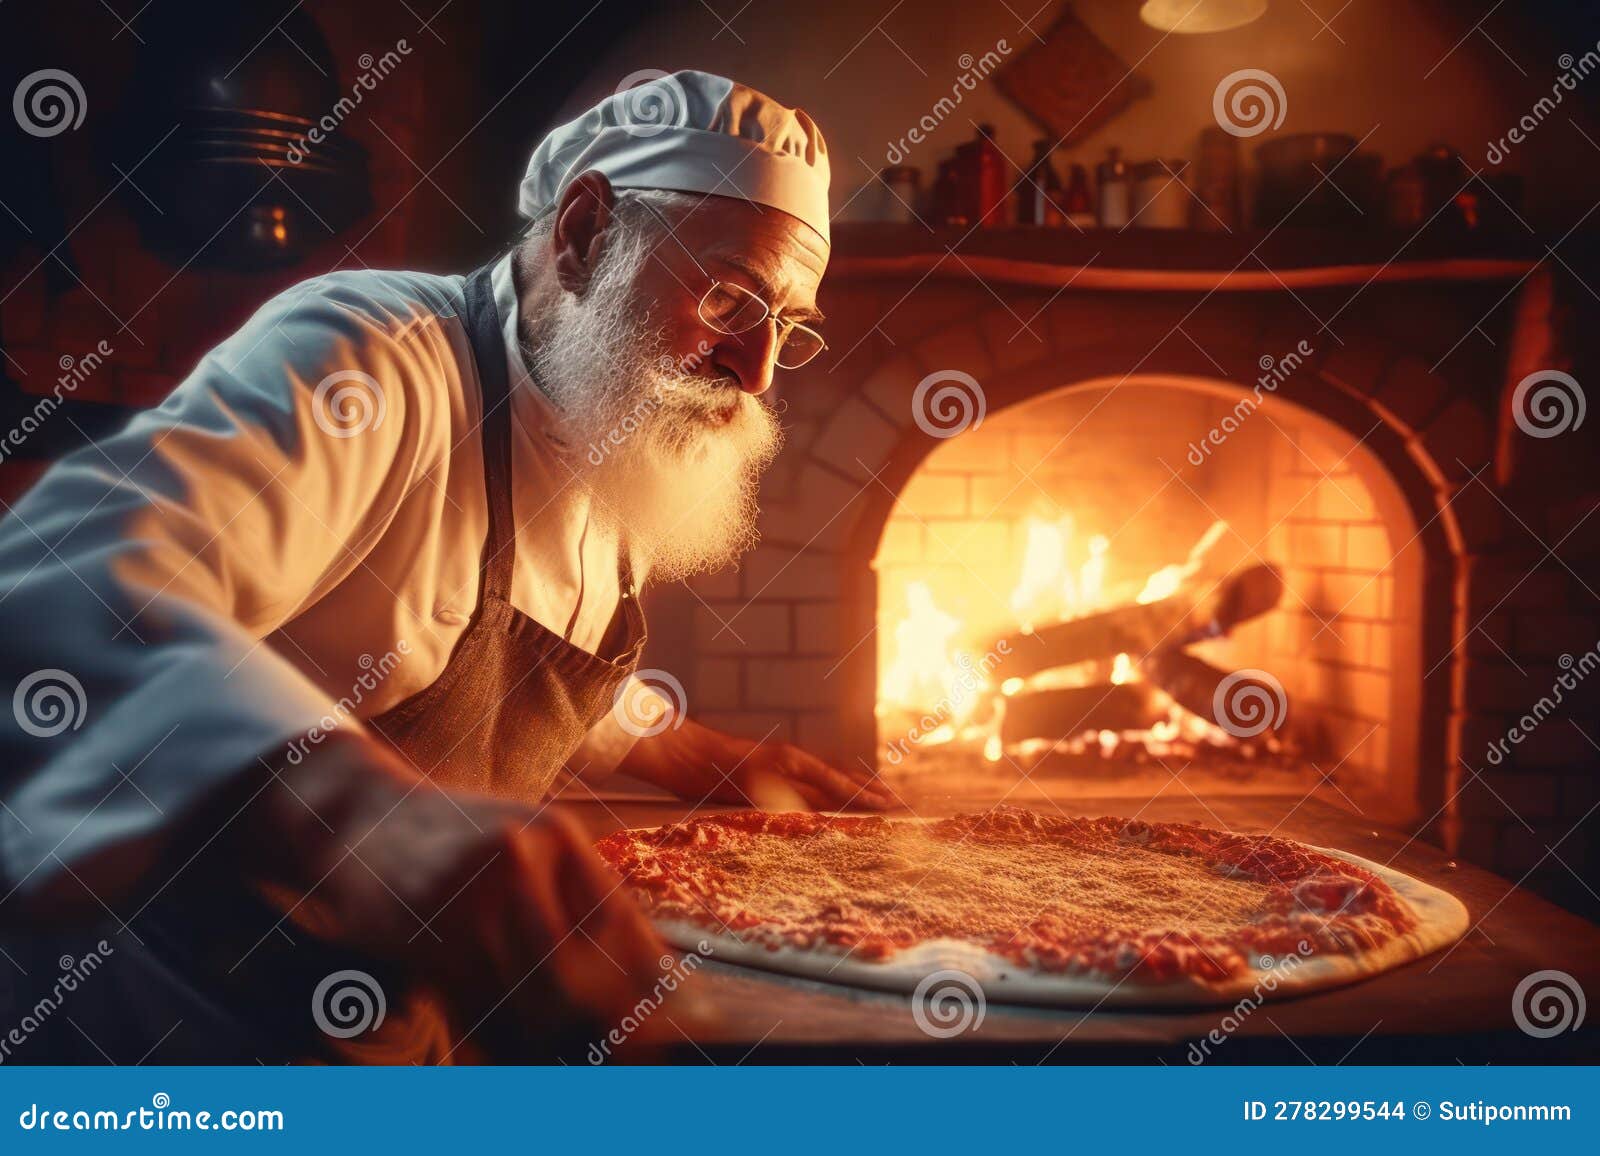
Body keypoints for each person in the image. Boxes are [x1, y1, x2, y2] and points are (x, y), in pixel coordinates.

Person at [0, 70, 894, 1063]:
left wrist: (695, 752)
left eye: (790, 327)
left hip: (408, 1029)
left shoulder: (612, 421)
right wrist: (358, 816)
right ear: (586, 230)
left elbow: (532, 662)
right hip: (173, 1029)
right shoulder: (376, 357)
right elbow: (63, 592)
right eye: (728, 295)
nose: (758, 368)